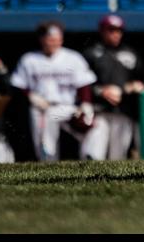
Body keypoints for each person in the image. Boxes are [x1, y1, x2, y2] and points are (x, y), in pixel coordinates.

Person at [9, 21, 97, 162]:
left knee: (92, 125)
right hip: (42, 107)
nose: (54, 42)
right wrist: (30, 95)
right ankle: (48, 163)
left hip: (68, 106)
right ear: (42, 39)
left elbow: (84, 83)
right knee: (43, 142)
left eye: (57, 39)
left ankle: (90, 158)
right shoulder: (29, 59)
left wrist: (86, 104)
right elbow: (18, 84)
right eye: (51, 39)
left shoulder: (73, 58)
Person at [81, 13, 144, 161]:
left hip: (124, 110)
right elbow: (81, 84)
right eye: (111, 30)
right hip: (98, 111)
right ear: (102, 31)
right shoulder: (91, 53)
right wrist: (100, 90)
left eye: (118, 30)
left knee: (118, 156)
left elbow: (141, 80)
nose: (115, 34)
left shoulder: (131, 53)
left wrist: (132, 87)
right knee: (94, 152)